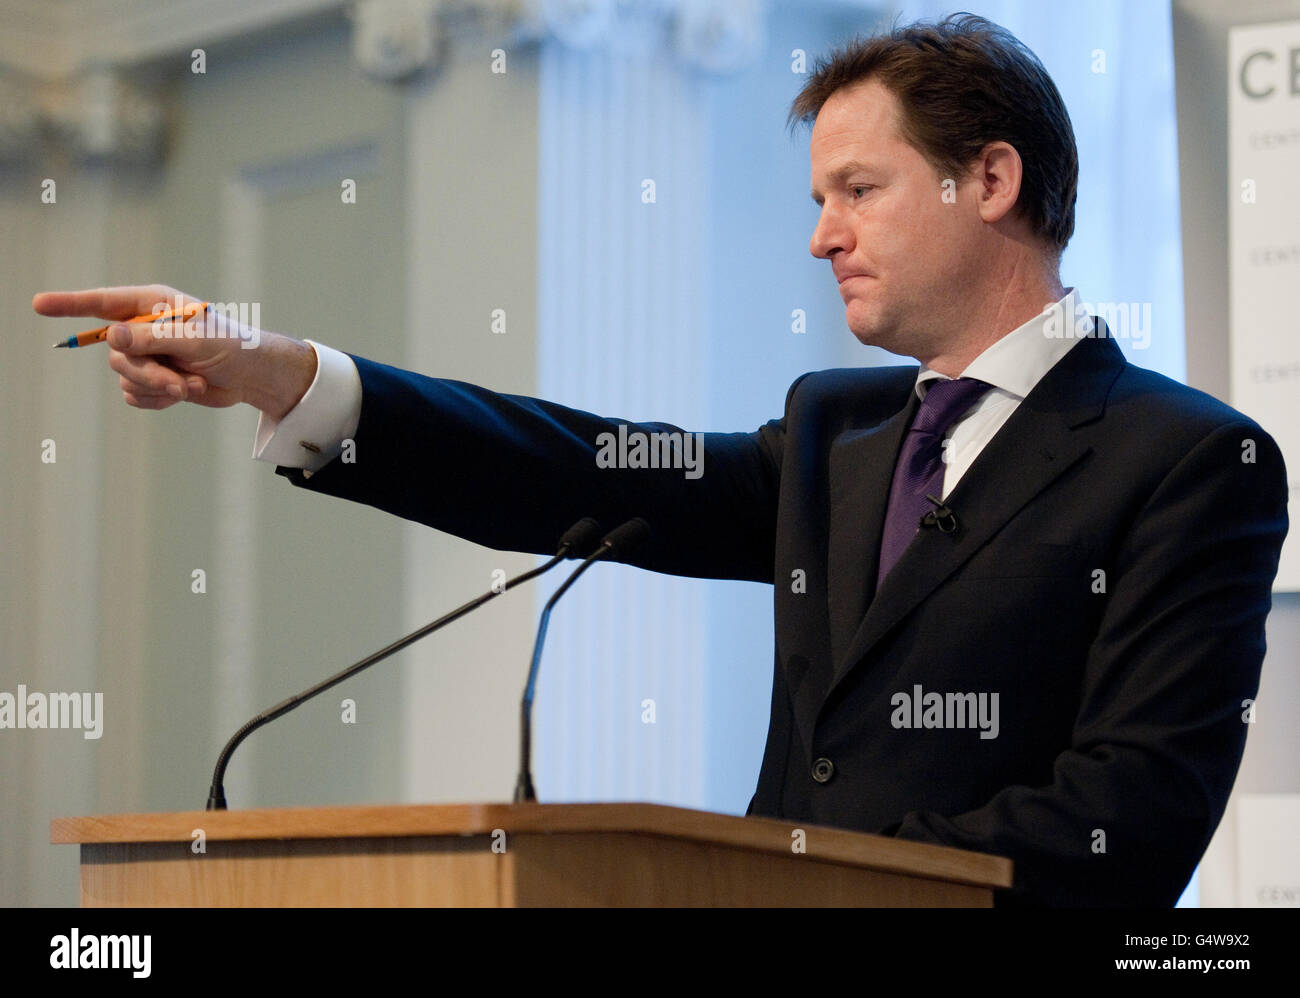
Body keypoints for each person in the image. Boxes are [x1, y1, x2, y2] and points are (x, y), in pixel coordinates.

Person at [33, 14, 1288, 906]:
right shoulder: (831, 431)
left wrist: (806, 891)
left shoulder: (1184, 459)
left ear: (992, 180)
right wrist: (283, 371)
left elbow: (1134, 811)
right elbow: (575, 472)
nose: (819, 236)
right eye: (817, 197)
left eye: (857, 189)